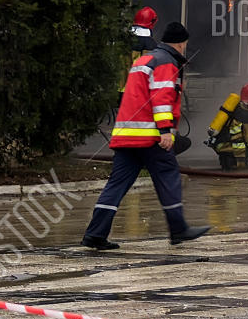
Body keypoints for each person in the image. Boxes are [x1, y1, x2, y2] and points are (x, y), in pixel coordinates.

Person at [81, 22, 210, 251]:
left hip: (126, 136)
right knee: (168, 176)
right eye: (185, 44)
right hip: (150, 137)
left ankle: (95, 234)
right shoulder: (165, 62)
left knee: (116, 185)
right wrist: (165, 131)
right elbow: (161, 98)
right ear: (180, 44)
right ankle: (178, 229)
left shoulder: (144, 60)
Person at [206, 81, 248, 170]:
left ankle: (229, 158)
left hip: (221, 145)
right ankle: (235, 162)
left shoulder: (236, 107)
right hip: (232, 147)